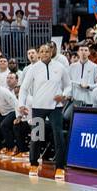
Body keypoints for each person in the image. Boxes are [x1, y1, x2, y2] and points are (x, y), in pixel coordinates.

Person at [18, 42, 71, 181]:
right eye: (42, 51)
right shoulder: (33, 68)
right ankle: (34, 164)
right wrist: (21, 105)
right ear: (39, 53)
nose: (45, 53)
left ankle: (60, 167)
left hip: (56, 107)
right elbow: (23, 88)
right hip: (38, 107)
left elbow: (68, 85)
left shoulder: (60, 67)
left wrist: (64, 95)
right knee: (37, 137)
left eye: (47, 51)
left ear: (51, 52)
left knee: (58, 136)